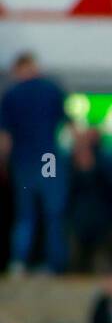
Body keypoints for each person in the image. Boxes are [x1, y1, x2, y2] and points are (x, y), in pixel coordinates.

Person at [0, 53, 68, 273]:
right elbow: (67, 125)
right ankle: (54, 264)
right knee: (52, 213)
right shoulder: (52, 90)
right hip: (48, 160)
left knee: (25, 215)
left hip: (24, 162)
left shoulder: (11, 94)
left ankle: (19, 262)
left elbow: (5, 139)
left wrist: (4, 164)